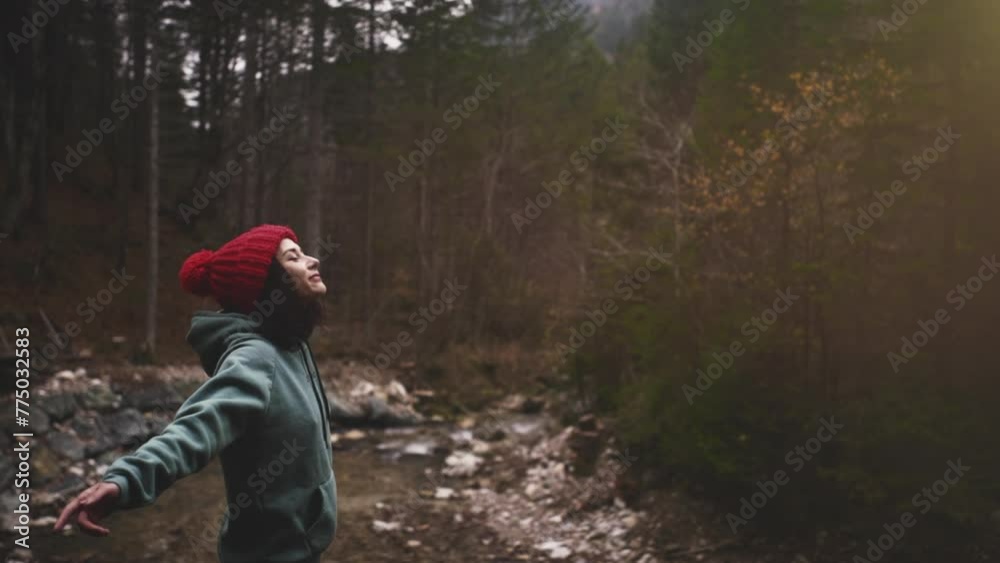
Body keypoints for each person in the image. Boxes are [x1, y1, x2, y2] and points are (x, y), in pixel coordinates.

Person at [53, 224, 338, 563]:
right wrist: (125, 481)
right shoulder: (256, 359)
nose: (313, 259)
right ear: (268, 284)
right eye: (294, 257)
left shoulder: (292, 346)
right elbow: (195, 428)